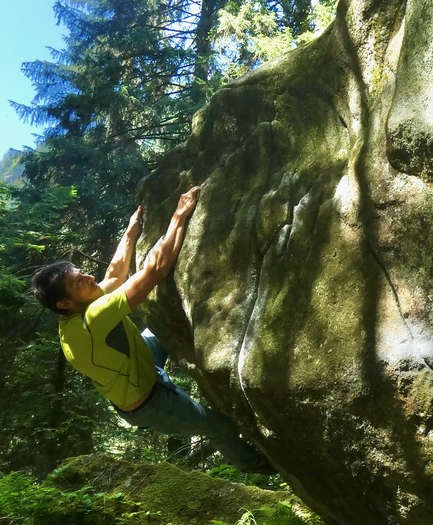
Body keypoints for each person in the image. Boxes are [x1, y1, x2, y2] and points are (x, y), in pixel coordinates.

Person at [31, 186, 270, 473]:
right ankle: (260, 467)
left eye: (81, 272)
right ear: (65, 302)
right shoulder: (90, 319)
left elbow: (113, 275)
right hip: (147, 401)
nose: (88, 277)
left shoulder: (78, 309)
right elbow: (155, 270)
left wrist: (130, 233)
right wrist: (179, 217)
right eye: (79, 281)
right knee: (219, 427)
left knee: (161, 327)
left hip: (141, 357)